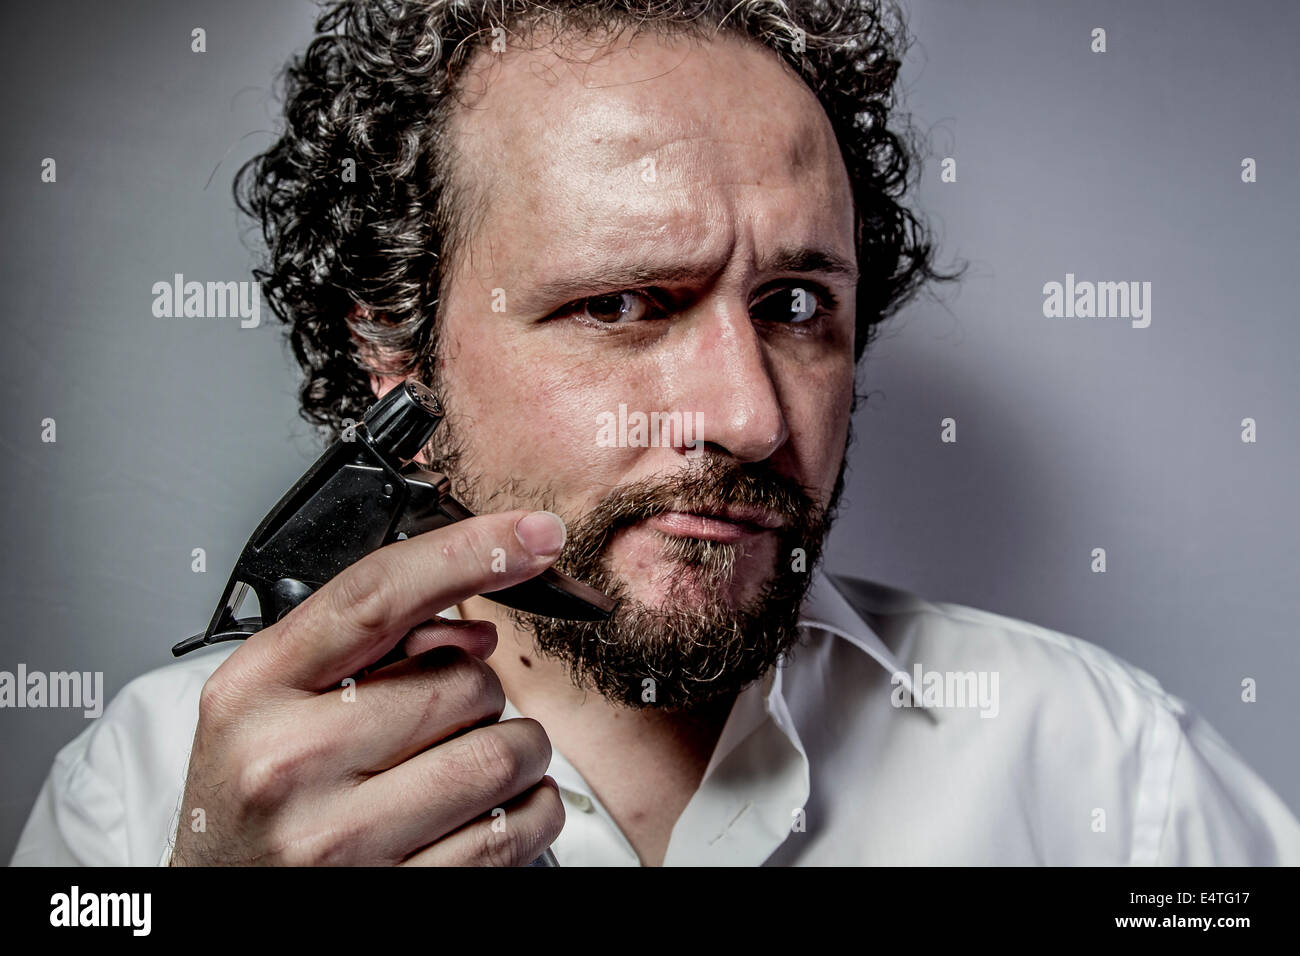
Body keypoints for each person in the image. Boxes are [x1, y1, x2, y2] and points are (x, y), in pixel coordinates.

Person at [12, 0, 1300, 866]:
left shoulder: (1109, 771)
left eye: (797, 307)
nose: (749, 418)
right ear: (395, 355)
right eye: (621, 304)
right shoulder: (151, 793)